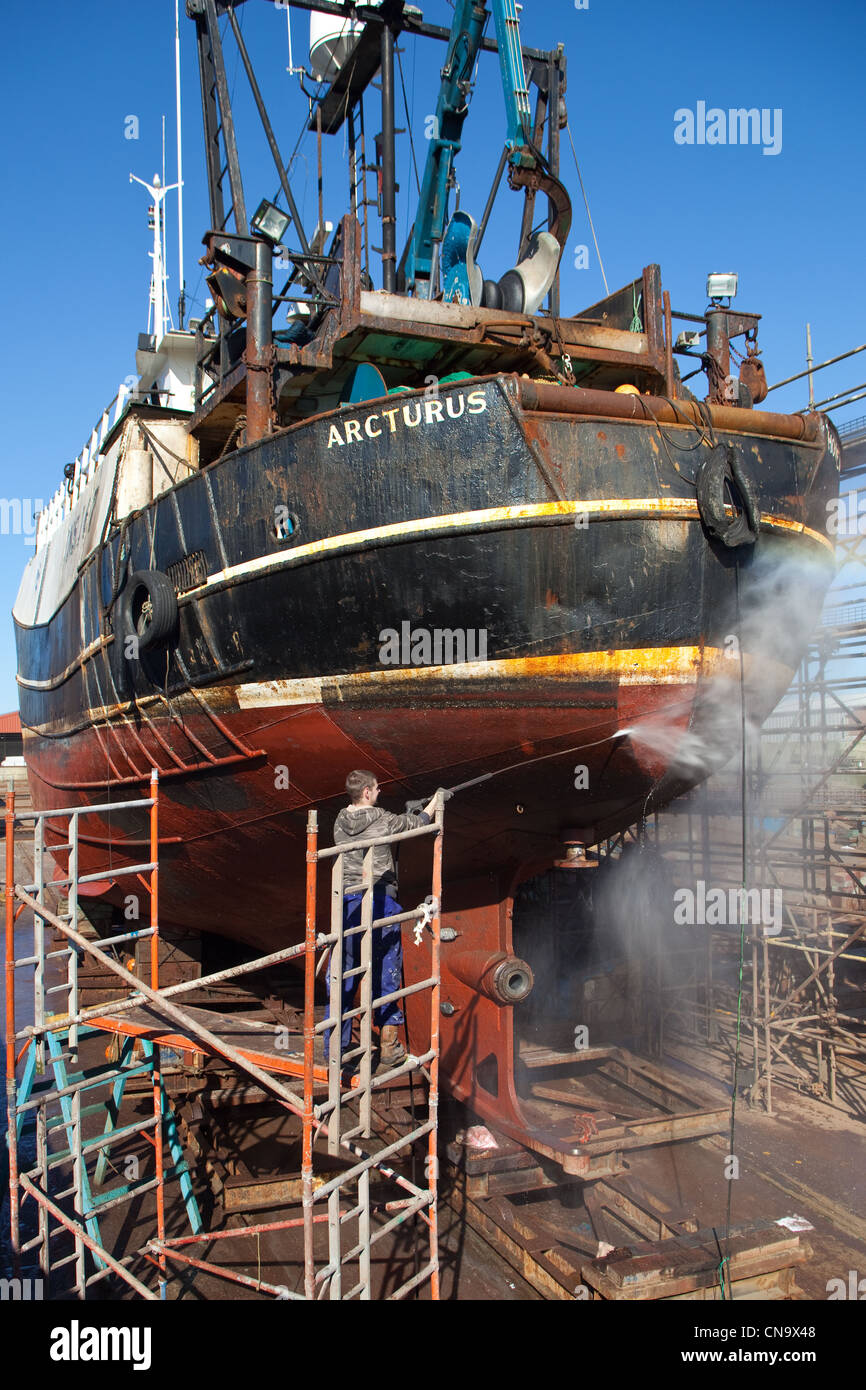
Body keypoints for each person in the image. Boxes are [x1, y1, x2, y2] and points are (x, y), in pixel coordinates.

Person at [325, 770, 437, 1073]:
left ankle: (335, 1049)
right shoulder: (381, 818)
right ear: (367, 792)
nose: (379, 792)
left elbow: (374, 827)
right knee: (387, 969)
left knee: (343, 972)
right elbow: (418, 824)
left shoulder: (339, 820)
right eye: (376, 789)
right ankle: (389, 1046)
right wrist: (435, 802)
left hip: (347, 901)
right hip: (379, 900)